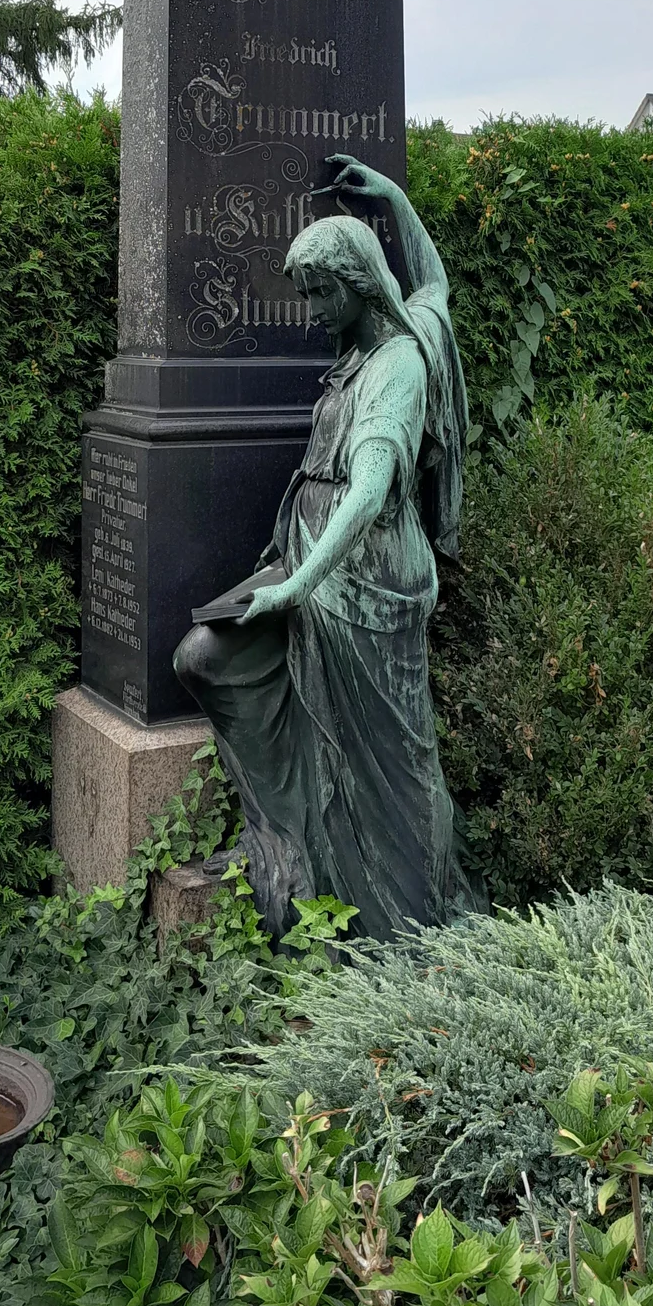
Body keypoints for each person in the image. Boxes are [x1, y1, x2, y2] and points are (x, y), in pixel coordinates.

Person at [174, 154, 481, 941]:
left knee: (388, 766)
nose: (310, 308)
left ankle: (400, 922)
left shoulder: (401, 368)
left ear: (358, 284)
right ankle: (291, 846)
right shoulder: (378, 341)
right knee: (203, 660)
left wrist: (295, 583)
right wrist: (398, 202)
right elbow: (437, 287)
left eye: (320, 291)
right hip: (312, 563)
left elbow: (372, 488)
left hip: (364, 578)